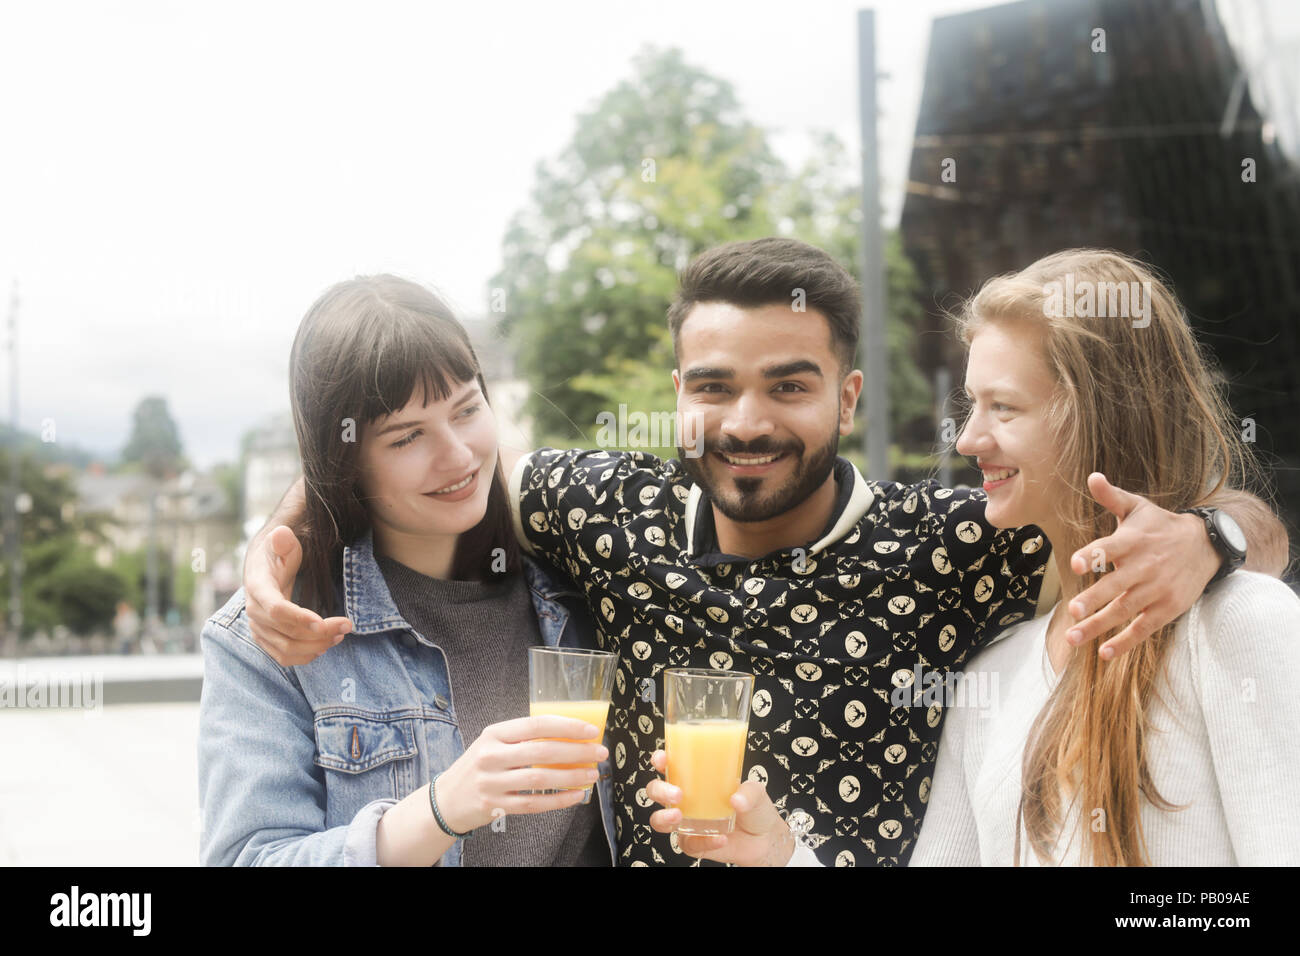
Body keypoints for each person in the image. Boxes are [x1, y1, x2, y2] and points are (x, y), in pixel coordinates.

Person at [240, 239, 1285, 867]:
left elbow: (1201, 518)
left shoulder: (961, 541)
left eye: (787, 384)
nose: (746, 421)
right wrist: (279, 547)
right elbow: (418, 457)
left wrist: (1215, 535)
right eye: (711, 386)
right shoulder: (604, 505)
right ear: (677, 393)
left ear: (847, 396)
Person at [198, 274, 617, 866]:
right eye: (406, 437)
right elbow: (245, 859)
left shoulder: (580, 573)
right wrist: (441, 809)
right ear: (345, 459)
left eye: (467, 409)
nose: (458, 454)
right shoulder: (269, 635)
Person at [899, 249, 1298, 865]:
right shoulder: (993, 675)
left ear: (1101, 417)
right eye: (971, 404)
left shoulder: (1241, 625)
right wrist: (781, 854)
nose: (970, 438)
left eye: (1004, 407)